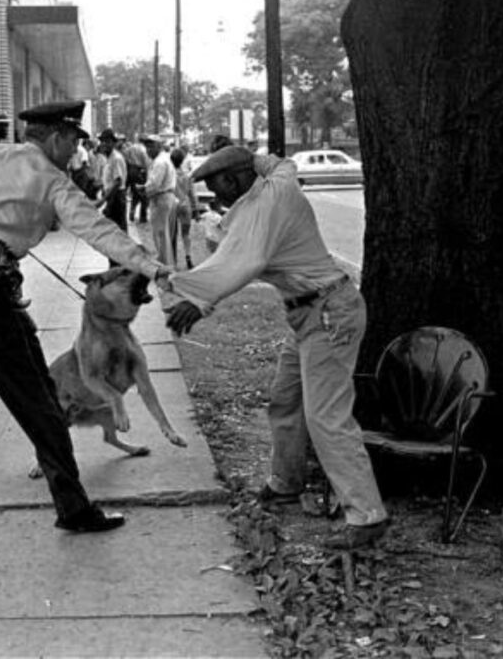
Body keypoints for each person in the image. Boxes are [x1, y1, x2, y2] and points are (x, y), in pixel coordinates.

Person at [0, 100, 169, 534]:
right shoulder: (51, 178)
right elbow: (98, 230)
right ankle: (74, 509)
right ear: (58, 137)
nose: (76, 152)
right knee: (38, 395)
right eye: (74, 142)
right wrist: (151, 267)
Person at [163, 147, 389, 549]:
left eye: (218, 187)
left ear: (234, 180)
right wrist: (244, 155)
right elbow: (276, 161)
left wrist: (197, 300)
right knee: (285, 400)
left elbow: (237, 263)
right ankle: (286, 482)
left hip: (327, 314)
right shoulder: (280, 181)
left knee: (326, 417)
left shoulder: (263, 210)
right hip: (308, 313)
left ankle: (367, 514)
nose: (217, 197)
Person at [143, 136, 177, 265]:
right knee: (166, 235)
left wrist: (143, 190)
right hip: (166, 197)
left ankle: (165, 265)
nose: (148, 150)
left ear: (158, 146)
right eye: (146, 147)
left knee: (161, 235)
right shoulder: (163, 159)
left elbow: (154, 185)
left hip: (161, 198)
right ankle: (167, 263)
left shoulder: (159, 162)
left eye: (150, 146)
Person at [169, 148, 197, 270]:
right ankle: (188, 257)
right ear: (182, 161)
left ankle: (173, 260)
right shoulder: (187, 176)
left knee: (172, 234)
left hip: (172, 206)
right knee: (186, 234)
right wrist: (195, 208)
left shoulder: (169, 175)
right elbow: (192, 193)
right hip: (186, 206)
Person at [98, 128, 128, 236]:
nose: (104, 144)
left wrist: (103, 199)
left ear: (113, 143)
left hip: (117, 197)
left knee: (119, 228)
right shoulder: (108, 157)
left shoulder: (116, 158)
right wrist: (103, 188)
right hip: (111, 196)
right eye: (102, 141)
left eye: (107, 141)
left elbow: (117, 182)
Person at [123, 138, 150, 222]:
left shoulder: (131, 148)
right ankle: (143, 216)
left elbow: (125, 156)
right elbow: (146, 163)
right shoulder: (143, 149)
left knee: (134, 192)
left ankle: (132, 211)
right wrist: (147, 174)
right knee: (143, 194)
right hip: (140, 171)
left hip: (131, 170)